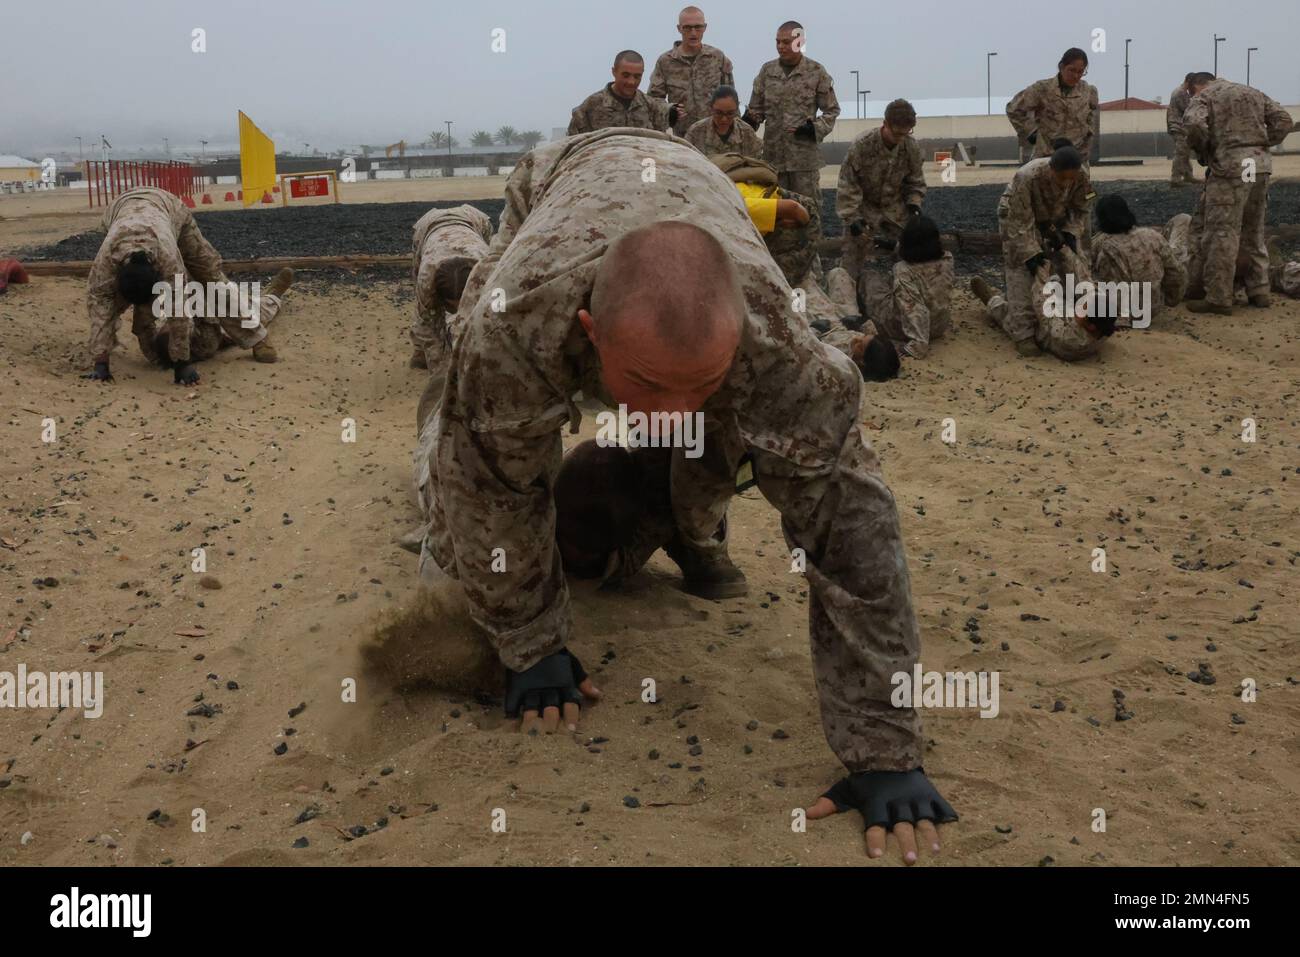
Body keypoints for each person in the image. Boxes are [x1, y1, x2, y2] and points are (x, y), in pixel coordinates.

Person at [412, 128, 956, 861]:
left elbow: (852, 531)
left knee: (728, 445)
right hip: (561, 179)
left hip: (703, 189)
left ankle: (689, 527)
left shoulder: (783, 351)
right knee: (472, 428)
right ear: (588, 333)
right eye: (643, 387)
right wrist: (530, 641)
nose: (668, 419)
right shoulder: (522, 318)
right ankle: (449, 252)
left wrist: (886, 750)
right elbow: (487, 479)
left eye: (696, 387)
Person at [84, 186, 286, 384]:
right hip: (120, 208)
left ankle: (257, 336)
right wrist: (100, 362)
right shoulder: (105, 263)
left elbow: (179, 313)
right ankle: (265, 302)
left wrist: (181, 362)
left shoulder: (168, 261)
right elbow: (99, 308)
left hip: (170, 208)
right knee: (199, 331)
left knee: (212, 280)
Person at [967, 144, 1100, 358]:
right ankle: (1022, 334)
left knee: (1066, 263)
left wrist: (1069, 233)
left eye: (1071, 178)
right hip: (1016, 216)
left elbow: (1081, 208)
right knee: (1021, 268)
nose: (1067, 183)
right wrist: (1031, 253)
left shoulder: (1081, 176)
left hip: (1053, 217)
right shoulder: (1028, 177)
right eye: (1062, 178)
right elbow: (1019, 222)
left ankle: (1064, 317)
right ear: (1052, 170)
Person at [1182, 73, 1294, 314]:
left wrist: (1207, 149)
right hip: (1257, 166)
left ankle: (1219, 297)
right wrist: (1261, 143)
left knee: (1222, 232)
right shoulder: (1252, 92)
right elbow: (1284, 120)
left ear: (1195, 86)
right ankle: (1259, 290)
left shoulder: (1205, 97)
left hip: (1230, 167)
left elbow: (1192, 124)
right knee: (1254, 229)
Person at [745, 20, 840, 200]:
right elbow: (756, 110)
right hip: (773, 159)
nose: (780, 46)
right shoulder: (767, 71)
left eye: (786, 42)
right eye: (777, 41)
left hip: (803, 160)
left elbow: (832, 110)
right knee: (776, 213)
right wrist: (748, 120)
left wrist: (814, 129)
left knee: (808, 212)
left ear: (800, 43)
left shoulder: (816, 72)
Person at [837, 98, 926, 279]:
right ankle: (846, 298)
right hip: (864, 207)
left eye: (905, 133)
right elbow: (848, 184)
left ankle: (907, 294)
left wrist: (914, 204)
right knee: (851, 259)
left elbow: (915, 181)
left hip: (896, 208)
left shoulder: (911, 147)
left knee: (912, 253)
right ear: (885, 124)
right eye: (896, 134)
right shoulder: (862, 146)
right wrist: (852, 218)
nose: (900, 138)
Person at [409, 205, 494, 370]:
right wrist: (441, 373)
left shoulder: (488, 271)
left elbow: (498, 314)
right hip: (428, 226)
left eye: (461, 304)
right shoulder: (426, 279)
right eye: (452, 306)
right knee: (423, 310)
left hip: (475, 220)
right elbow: (429, 325)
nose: (456, 310)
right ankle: (419, 351)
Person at [856, 215, 953, 359]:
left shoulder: (904, 270)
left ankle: (859, 316)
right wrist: (892, 246)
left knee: (868, 277)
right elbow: (923, 247)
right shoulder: (947, 259)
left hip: (907, 331)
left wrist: (917, 345)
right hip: (939, 326)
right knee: (893, 283)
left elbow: (913, 307)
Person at [1090, 195, 1186, 319]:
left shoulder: (1105, 246)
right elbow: (1176, 272)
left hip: (1125, 312)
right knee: (1184, 219)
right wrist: (1172, 298)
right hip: (1154, 306)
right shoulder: (1152, 236)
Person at [648, 6, 735, 136]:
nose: (693, 33)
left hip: (716, 135)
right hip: (683, 138)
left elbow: (730, 96)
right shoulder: (665, 62)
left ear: (705, 28)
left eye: (698, 27)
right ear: (679, 29)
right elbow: (653, 99)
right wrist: (669, 109)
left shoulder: (717, 58)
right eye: (687, 28)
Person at [1007, 48, 1099, 163]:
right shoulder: (1042, 89)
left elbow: (1091, 117)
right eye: (1072, 70)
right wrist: (1031, 133)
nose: (1076, 76)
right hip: (1046, 157)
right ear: (1061, 67)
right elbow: (1013, 109)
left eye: (1080, 72)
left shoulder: (1088, 92)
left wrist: (1087, 141)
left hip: (1076, 159)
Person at [567, 51, 670, 135]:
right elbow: (574, 147)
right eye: (625, 75)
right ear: (614, 72)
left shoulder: (652, 107)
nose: (631, 82)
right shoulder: (590, 107)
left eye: (637, 76)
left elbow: (660, 147)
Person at [684, 85, 763, 160]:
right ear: (711, 108)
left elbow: (755, 165)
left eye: (730, 113)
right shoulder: (695, 132)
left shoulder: (747, 133)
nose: (724, 119)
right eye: (719, 113)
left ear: (736, 109)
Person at [1167, 73, 1197, 186]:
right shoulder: (1180, 93)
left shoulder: (1180, 92)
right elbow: (1189, 109)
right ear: (1189, 82)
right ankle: (1175, 178)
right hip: (1178, 126)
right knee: (1181, 152)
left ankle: (1188, 175)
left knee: (1184, 152)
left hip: (1179, 126)